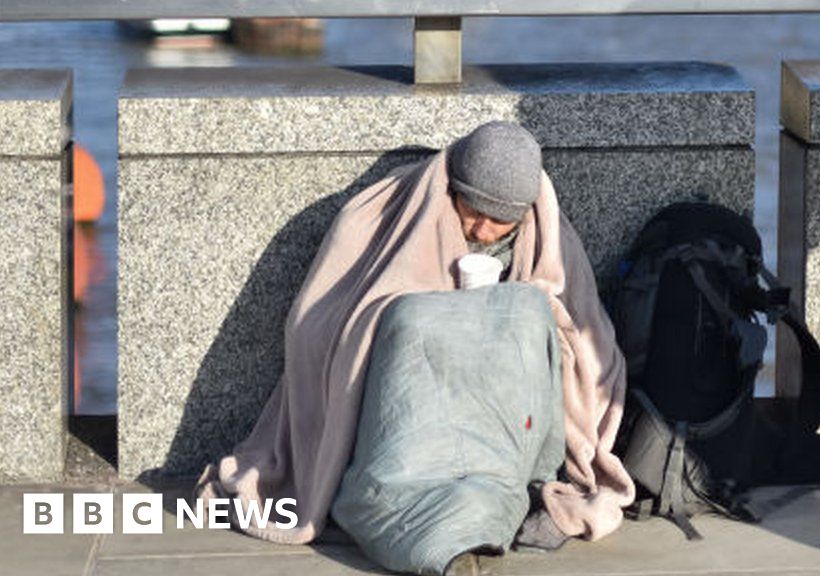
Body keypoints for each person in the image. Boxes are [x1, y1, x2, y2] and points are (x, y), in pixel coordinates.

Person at [194, 120, 635, 571]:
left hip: (498, 407)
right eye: (472, 210)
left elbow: (586, 337)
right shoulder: (384, 212)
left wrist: (514, 314)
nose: (483, 230)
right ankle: (425, 519)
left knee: (528, 310)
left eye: (500, 221)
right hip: (416, 405)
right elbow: (318, 322)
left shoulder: (548, 233)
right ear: (451, 190)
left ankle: (486, 508)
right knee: (413, 319)